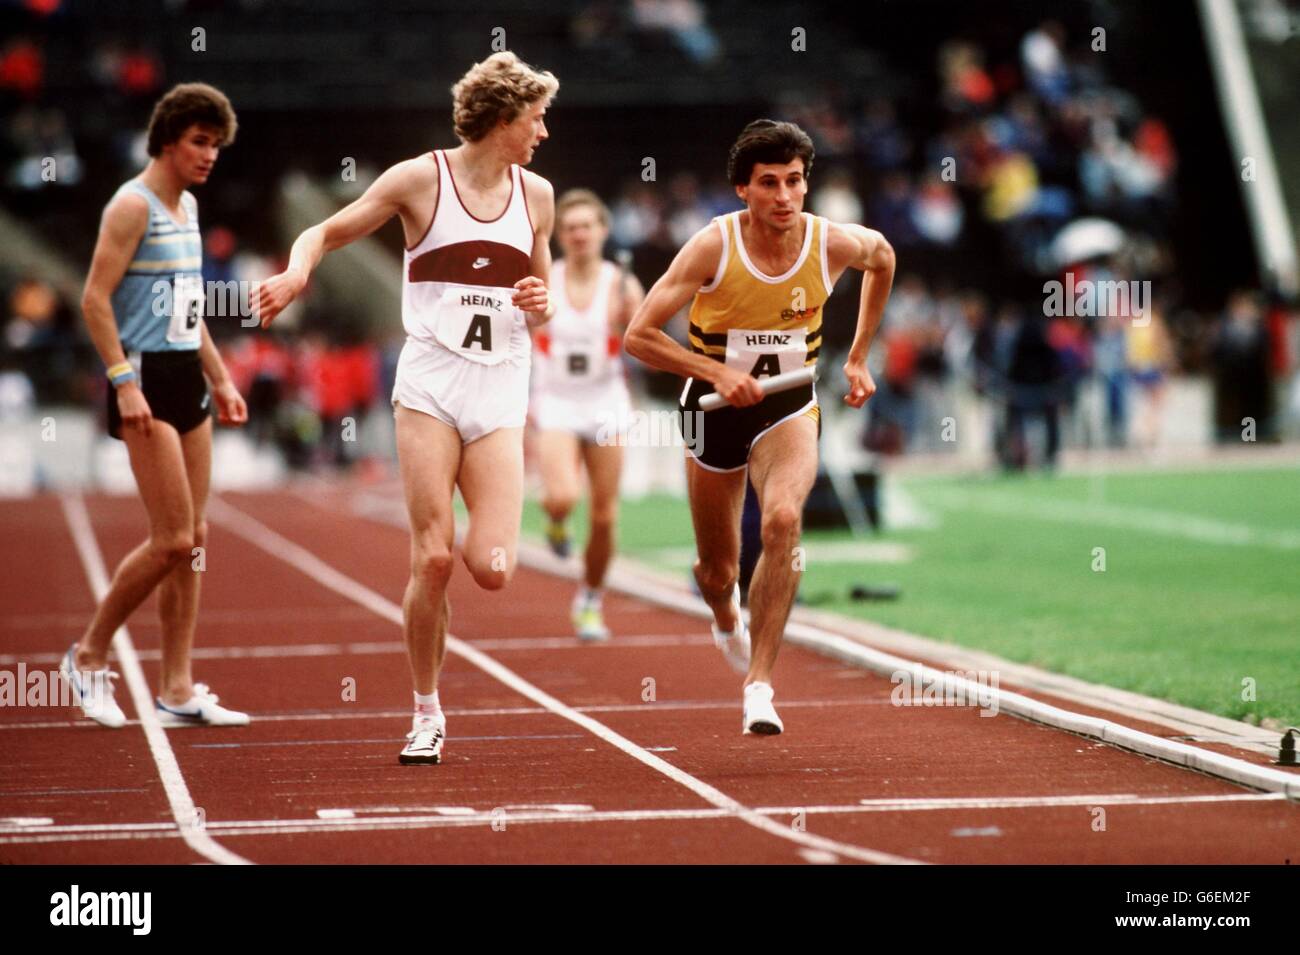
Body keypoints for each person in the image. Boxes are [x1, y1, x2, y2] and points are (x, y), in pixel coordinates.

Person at [255, 52, 557, 765]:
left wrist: (542, 303)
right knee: (434, 557)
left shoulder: (537, 196)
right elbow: (324, 231)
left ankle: (435, 679)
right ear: (506, 119)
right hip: (429, 386)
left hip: (500, 388)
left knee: (492, 566)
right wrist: (298, 273)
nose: (544, 132)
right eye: (538, 119)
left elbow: (539, 302)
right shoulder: (421, 179)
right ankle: (426, 710)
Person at [625, 119, 894, 735]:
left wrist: (857, 356)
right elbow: (638, 335)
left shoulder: (830, 243)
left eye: (795, 182)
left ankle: (760, 685)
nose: (784, 196)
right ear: (742, 190)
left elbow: (884, 259)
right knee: (717, 571)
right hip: (713, 410)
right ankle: (725, 615)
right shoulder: (712, 246)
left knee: (781, 521)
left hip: (790, 405)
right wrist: (713, 373)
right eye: (768, 183)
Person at [65, 82, 250, 728]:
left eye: (216, 146)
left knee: (194, 538)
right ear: (168, 140)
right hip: (141, 377)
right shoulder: (131, 206)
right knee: (171, 537)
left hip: (184, 378)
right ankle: (87, 655)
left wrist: (221, 378)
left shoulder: (190, 210)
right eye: (200, 143)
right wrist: (121, 381)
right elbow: (93, 299)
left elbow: (190, 308)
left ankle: (177, 686)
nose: (209, 156)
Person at [531, 189, 644, 640]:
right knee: (561, 495)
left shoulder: (622, 284)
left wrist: (629, 321)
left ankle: (591, 599)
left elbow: (644, 343)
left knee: (603, 515)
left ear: (603, 231)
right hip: (557, 398)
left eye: (587, 226)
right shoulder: (545, 278)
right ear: (560, 235)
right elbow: (519, 329)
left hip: (605, 401)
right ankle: (556, 521)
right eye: (570, 227)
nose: (579, 235)